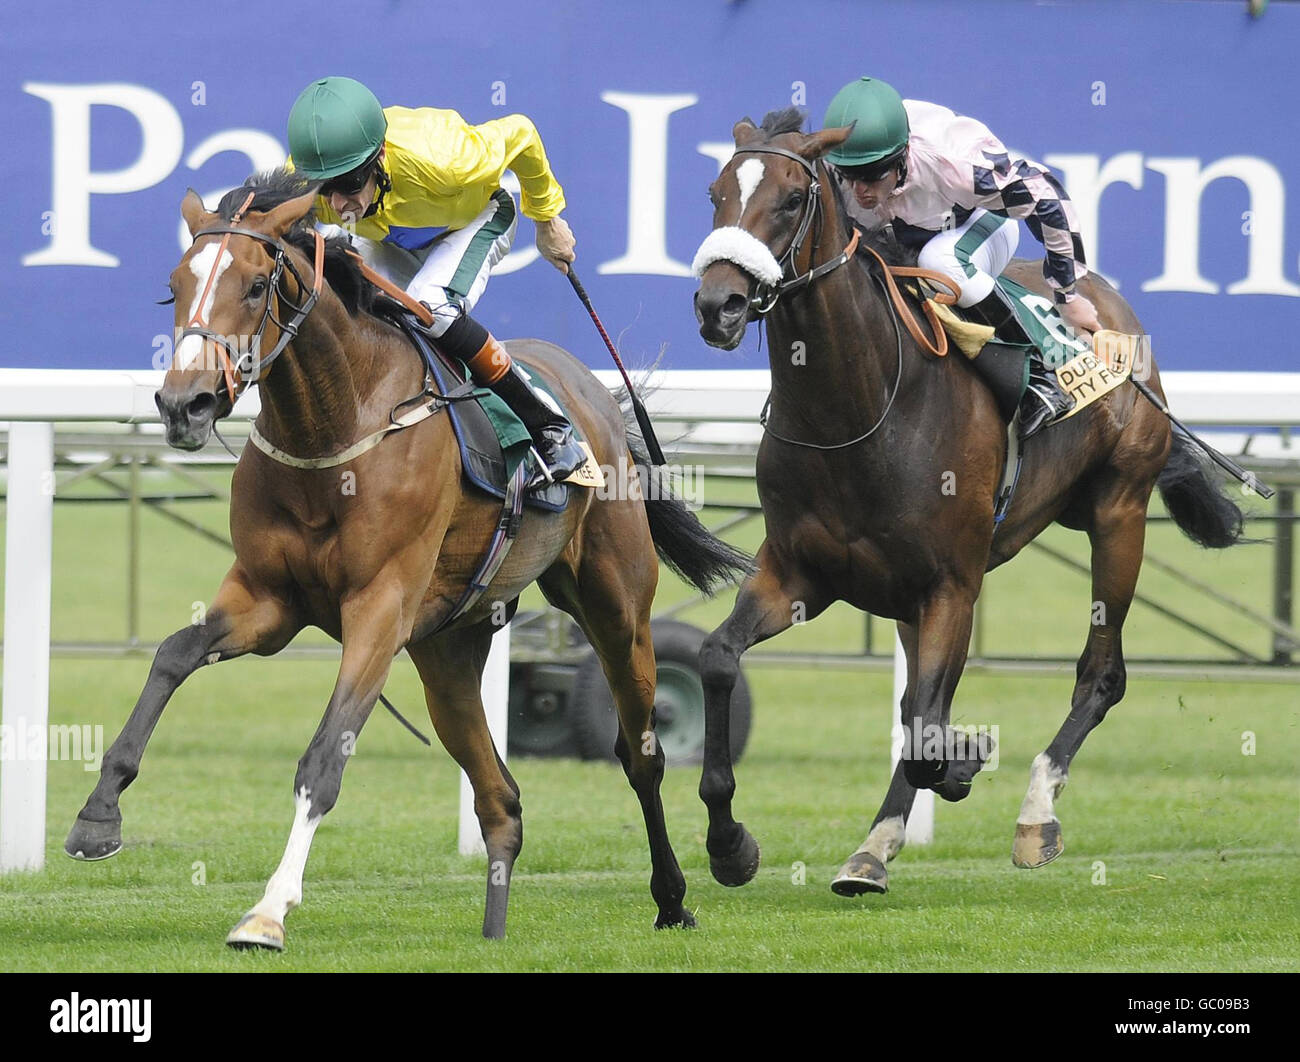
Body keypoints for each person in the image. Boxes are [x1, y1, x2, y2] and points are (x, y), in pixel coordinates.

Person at [286, 76, 586, 481]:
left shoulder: (448, 161)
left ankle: (550, 428)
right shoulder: (308, 181)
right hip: (392, 235)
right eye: (327, 189)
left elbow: (523, 132)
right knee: (363, 313)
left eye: (352, 184)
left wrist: (547, 219)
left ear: (380, 159)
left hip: (474, 218)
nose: (339, 204)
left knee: (434, 309)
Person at [823, 77, 1099, 438]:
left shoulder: (952, 164)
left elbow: (1046, 197)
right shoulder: (834, 169)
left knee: (939, 261)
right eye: (849, 176)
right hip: (907, 235)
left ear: (901, 157)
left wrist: (1068, 295)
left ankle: (1040, 377)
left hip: (984, 223)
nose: (860, 191)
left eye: (873, 176)